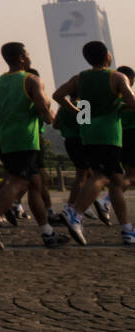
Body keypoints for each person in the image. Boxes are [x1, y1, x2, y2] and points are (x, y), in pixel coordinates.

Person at [0, 43, 67, 249]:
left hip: (6, 137)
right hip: (25, 138)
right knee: (20, 181)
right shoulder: (32, 80)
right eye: (28, 53)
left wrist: (1, 107)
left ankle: (47, 232)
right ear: (22, 58)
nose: (30, 56)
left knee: (35, 184)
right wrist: (49, 116)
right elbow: (43, 108)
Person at [52, 41, 135, 246]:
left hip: (87, 132)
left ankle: (126, 229)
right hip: (109, 135)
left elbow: (57, 96)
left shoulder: (80, 78)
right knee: (101, 176)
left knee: (116, 180)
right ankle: (75, 214)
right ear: (107, 56)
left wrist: (78, 112)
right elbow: (132, 102)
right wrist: (118, 107)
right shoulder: (117, 77)